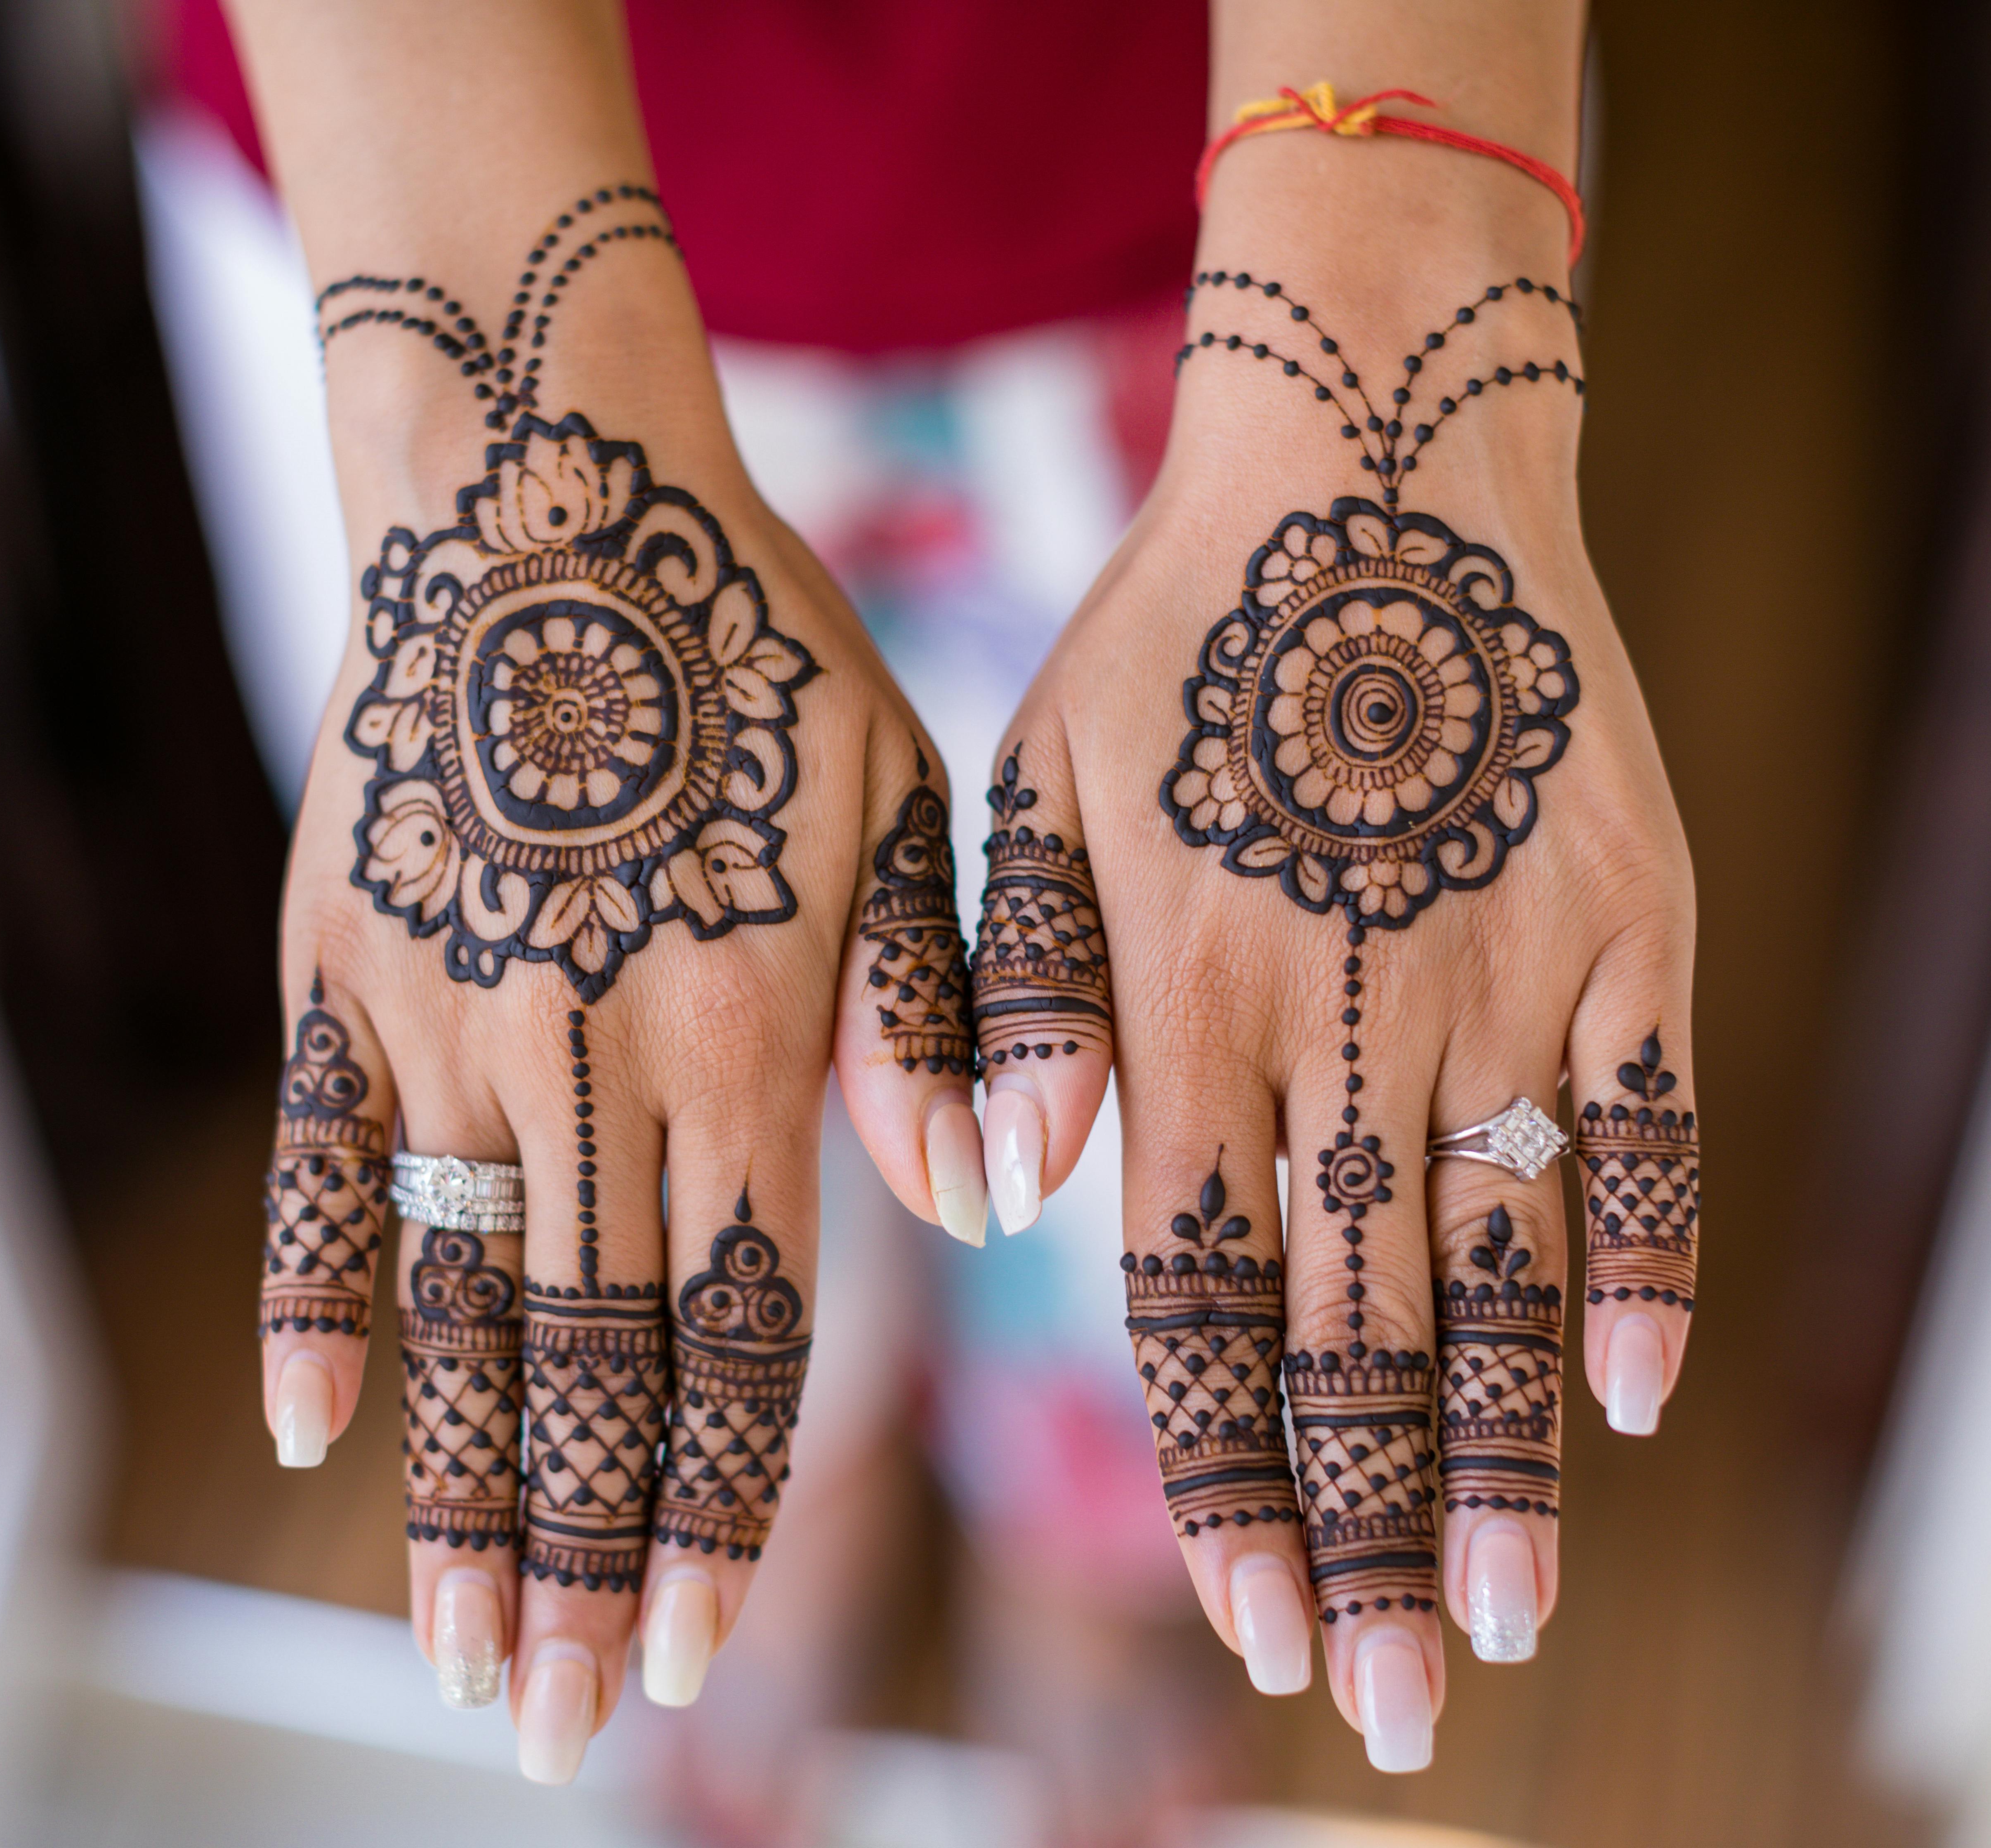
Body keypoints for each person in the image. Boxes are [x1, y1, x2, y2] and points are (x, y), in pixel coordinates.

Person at [224, 0, 1700, 1800]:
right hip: (420, 151)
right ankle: (789, 1507)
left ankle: (1092, 1550)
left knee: (1230, 1075)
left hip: (1261, 174)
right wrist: (480, 397)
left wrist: (1385, 282)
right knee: (628, 1064)